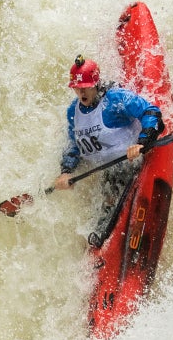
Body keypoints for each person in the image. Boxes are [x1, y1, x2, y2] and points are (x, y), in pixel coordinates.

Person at [53, 55, 164, 246]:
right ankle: (100, 245)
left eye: (85, 87)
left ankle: (112, 237)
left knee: (113, 203)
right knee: (105, 208)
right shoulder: (73, 112)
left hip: (131, 162)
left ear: (96, 83)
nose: (81, 93)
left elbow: (150, 112)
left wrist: (142, 142)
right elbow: (74, 146)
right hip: (107, 170)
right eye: (77, 89)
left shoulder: (115, 99)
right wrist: (66, 172)